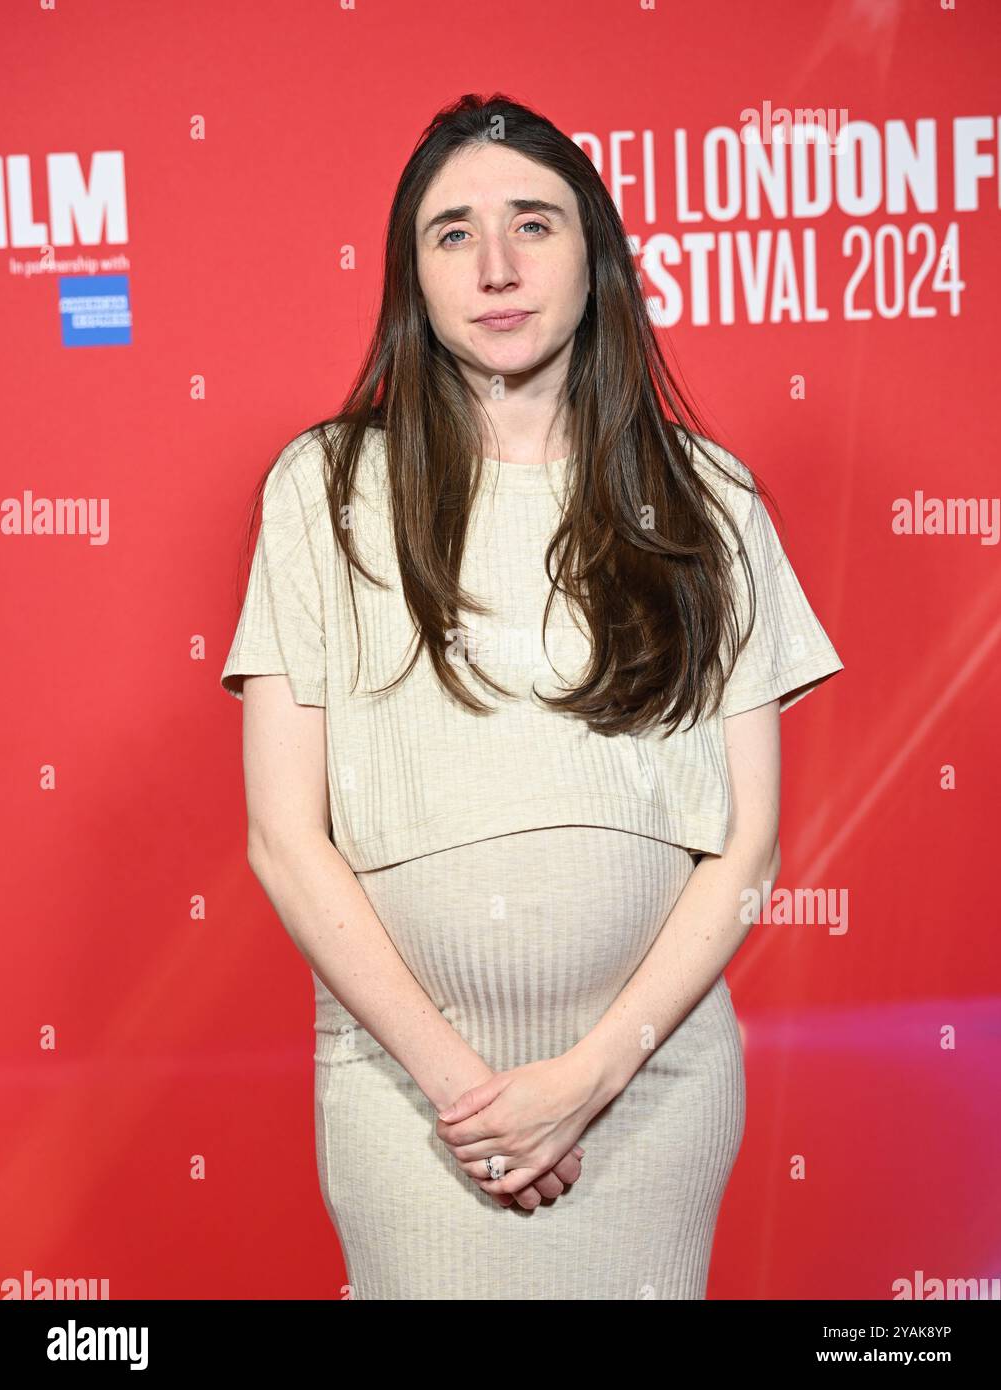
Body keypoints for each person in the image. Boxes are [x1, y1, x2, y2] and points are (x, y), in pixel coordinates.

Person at [219, 93, 844, 1300]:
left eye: (532, 225)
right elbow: (284, 840)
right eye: (452, 233)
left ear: (593, 253)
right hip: (409, 1101)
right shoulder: (324, 486)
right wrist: (466, 1093)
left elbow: (747, 840)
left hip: (650, 1094)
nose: (496, 267)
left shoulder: (710, 497)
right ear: (412, 275)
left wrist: (589, 1076)